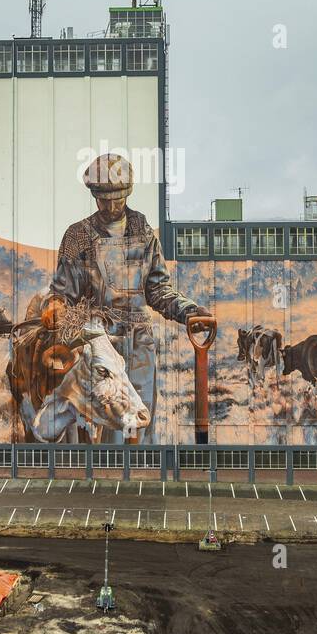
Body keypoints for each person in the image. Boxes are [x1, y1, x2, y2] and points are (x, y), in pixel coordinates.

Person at [46, 153, 210, 442]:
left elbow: (158, 290)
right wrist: (55, 305)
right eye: (103, 199)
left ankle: (139, 482)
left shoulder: (144, 234)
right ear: (94, 196)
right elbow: (62, 294)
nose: (110, 206)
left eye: (117, 199)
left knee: (140, 422)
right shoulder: (78, 237)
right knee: (108, 423)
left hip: (140, 345)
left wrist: (188, 311)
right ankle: (104, 484)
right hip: (100, 346)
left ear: (128, 194)